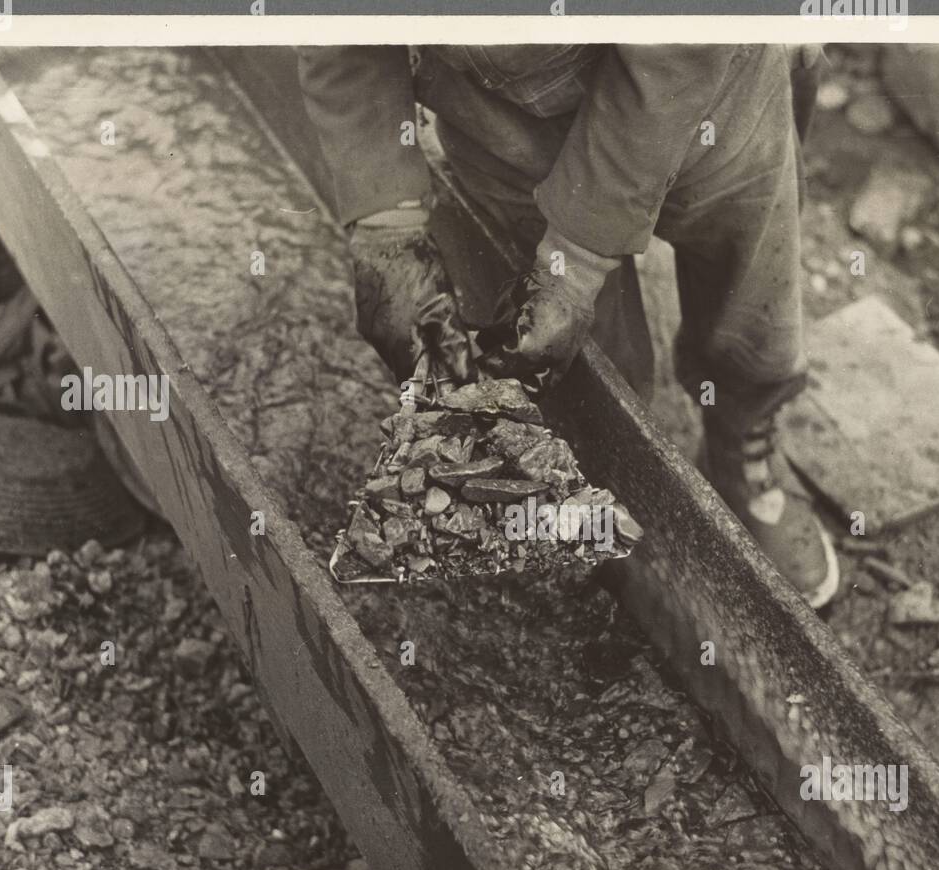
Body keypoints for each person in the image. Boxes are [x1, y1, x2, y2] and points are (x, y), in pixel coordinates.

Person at [297, 43, 838, 608]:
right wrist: (386, 221)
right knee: (584, 367)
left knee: (751, 296)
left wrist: (576, 261)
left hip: (708, 89)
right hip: (494, 111)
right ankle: (618, 494)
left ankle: (740, 444)